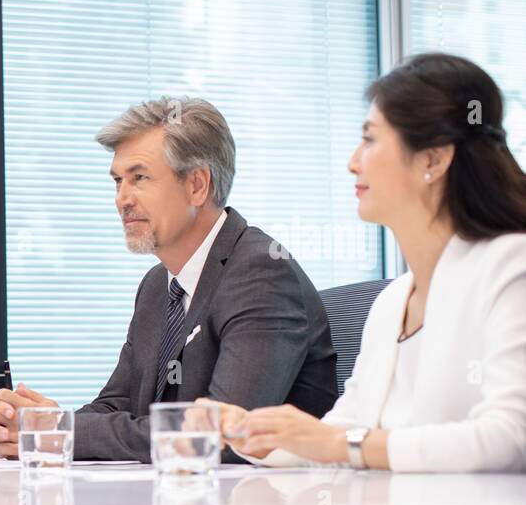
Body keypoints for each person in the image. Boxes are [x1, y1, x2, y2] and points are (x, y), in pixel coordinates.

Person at [205, 54, 526, 472]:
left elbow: (510, 437)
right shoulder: (393, 301)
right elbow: (340, 436)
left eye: (370, 139)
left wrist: (342, 443)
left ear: (433, 160)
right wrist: (245, 432)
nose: (353, 162)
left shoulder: (510, 266)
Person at [0, 98, 336, 462]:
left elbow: (220, 439)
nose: (122, 199)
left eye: (139, 178)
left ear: (197, 185)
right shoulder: (157, 284)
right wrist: (40, 426)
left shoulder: (262, 273)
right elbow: (118, 404)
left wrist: (65, 432)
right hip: (183, 503)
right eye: (118, 181)